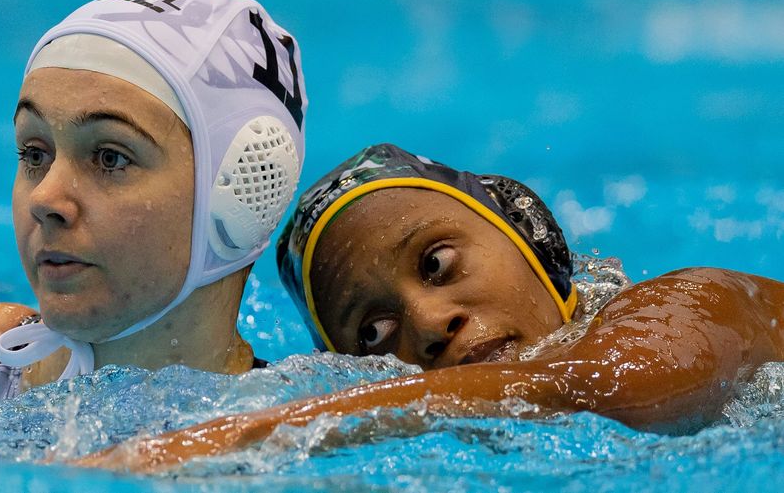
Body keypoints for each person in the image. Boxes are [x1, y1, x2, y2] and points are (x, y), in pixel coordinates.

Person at [75, 143, 784, 473]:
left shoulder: (695, 300)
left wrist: (247, 433)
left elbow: (619, 380)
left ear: (532, 236)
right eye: (374, 332)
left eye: (437, 264)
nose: (425, 321)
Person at [0, 0, 308, 412]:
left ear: (244, 191)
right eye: (34, 153)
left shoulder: (301, 440)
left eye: (109, 158)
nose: (44, 199)